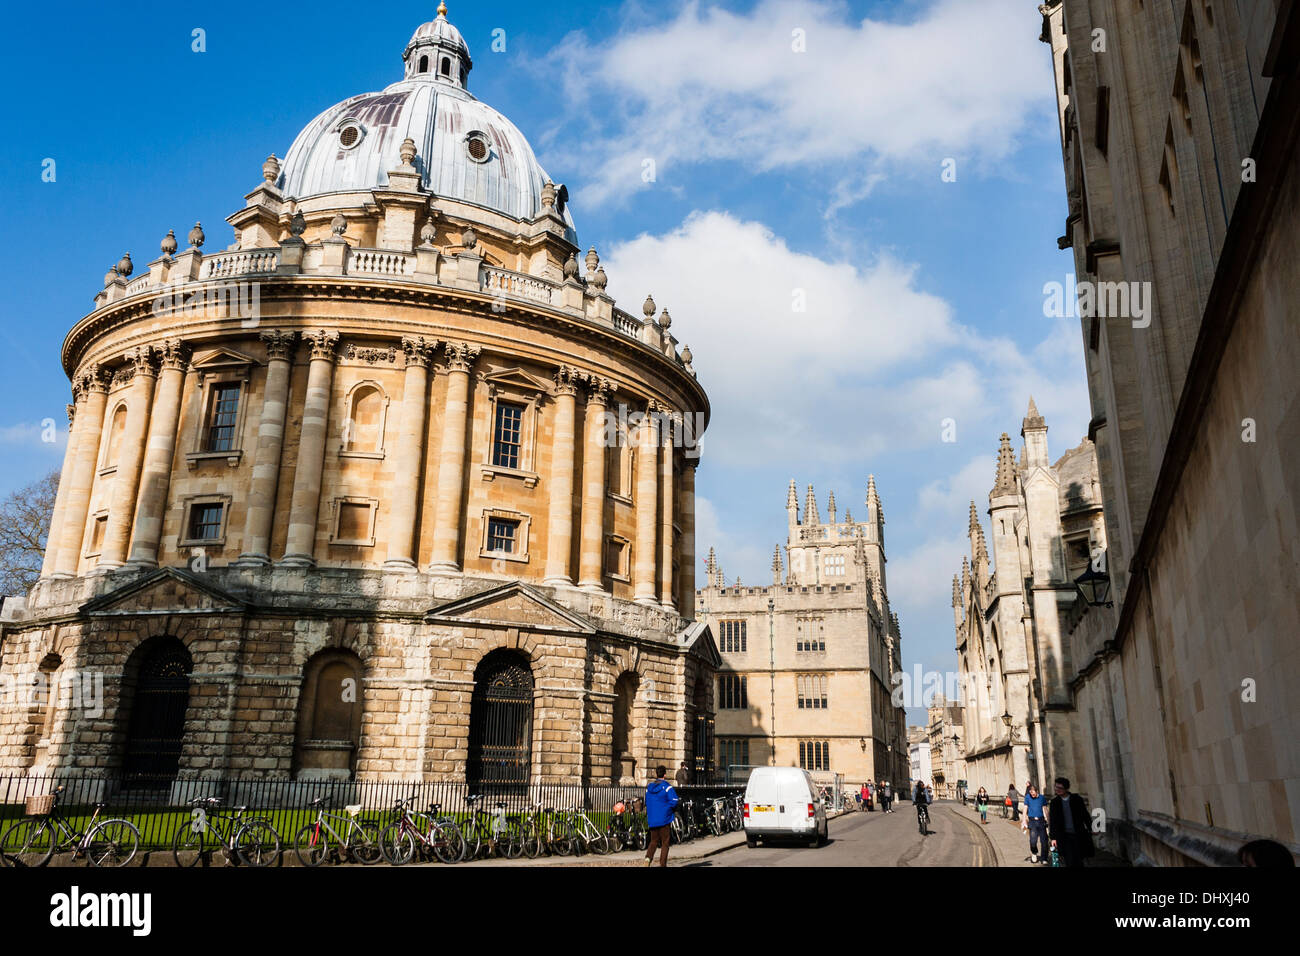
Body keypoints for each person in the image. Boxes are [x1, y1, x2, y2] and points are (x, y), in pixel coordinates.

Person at [1048, 777, 1094, 867]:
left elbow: (1085, 815)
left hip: (1078, 834)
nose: (1057, 790)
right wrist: (1053, 837)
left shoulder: (1077, 799)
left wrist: (1091, 827)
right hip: (1064, 836)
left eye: (1060, 788)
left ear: (1066, 788)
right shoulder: (1054, 802)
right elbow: (1052, 821)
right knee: (1069, 860)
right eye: (1056, 787)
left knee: (1080, 859)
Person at [644, 766, 679, 867]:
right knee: (665, 843)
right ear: (665, 774)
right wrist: (668, 808)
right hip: (664, 819)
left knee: (653, 841)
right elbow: (674, 801)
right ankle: (662, 864)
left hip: (652, 819)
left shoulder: (649, 788)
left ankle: (647, 858)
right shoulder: (667, 787)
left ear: (656, 774)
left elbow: (647, 802)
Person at [1021, 783, 1048, 863]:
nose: (1032, 795)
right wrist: (1023, 820)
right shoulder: (1027, 797)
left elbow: (1045, 809)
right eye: (1031, 793)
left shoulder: (1042, 798)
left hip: (1041, 821)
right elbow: (1025, 808)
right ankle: (1034, 853)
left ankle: (1044, 858)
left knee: (1044, 841)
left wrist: (1049, 822)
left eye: (1033, 793)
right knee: (1033, 840)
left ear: (1037, 791)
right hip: (1032, 821)